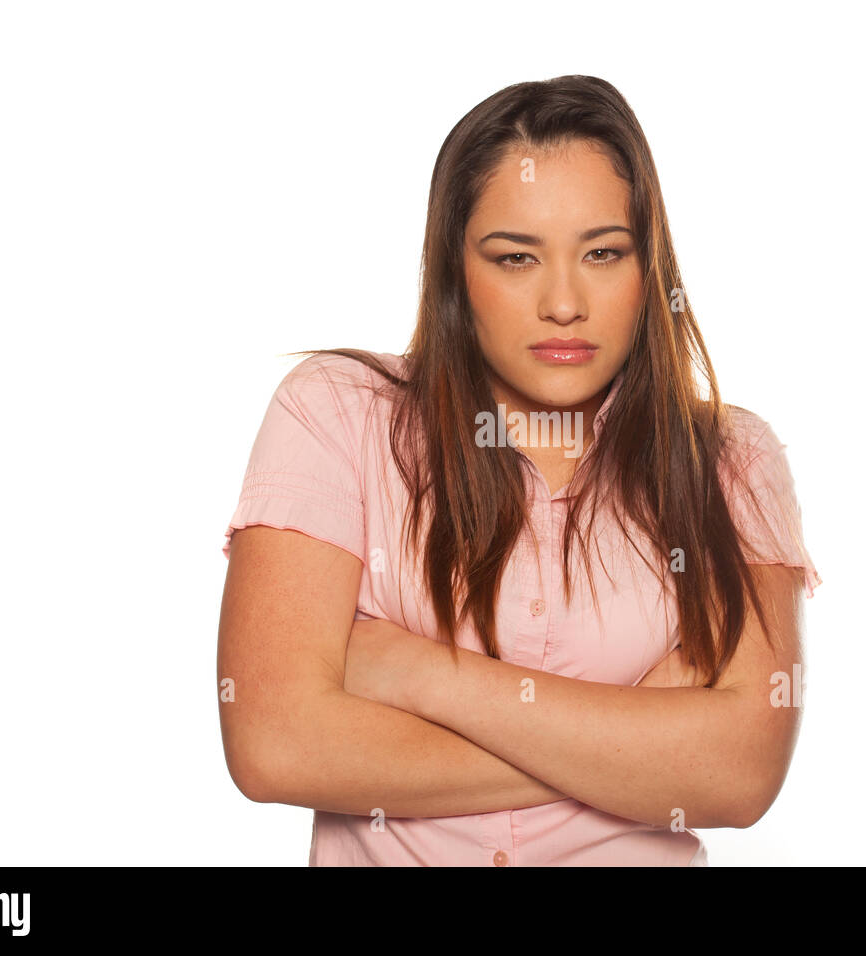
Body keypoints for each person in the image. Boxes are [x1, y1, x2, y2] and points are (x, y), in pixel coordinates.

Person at [217, 74, 821, 866]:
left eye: (604, 253)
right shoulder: (334, 415)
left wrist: (414, 674)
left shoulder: (733, 462)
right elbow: (276, 746)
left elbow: (740, 775)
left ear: (650, 271)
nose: (563, 303)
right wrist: (631, 743)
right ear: (455, 274)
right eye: (515, 258)